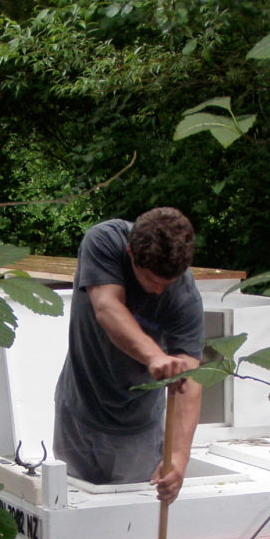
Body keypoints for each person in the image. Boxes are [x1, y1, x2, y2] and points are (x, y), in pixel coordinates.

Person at [53, 207, 203, 504]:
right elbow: (107, 306)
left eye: (167, 283)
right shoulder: (104, 241)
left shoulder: (185, 295)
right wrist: (154, 356)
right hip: (76, 413)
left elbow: (191, 379)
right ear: (131, 252)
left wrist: (178, 458)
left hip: (137, 431)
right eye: (151, 280)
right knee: (69, 512)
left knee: (128, 522)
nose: (159, 291)